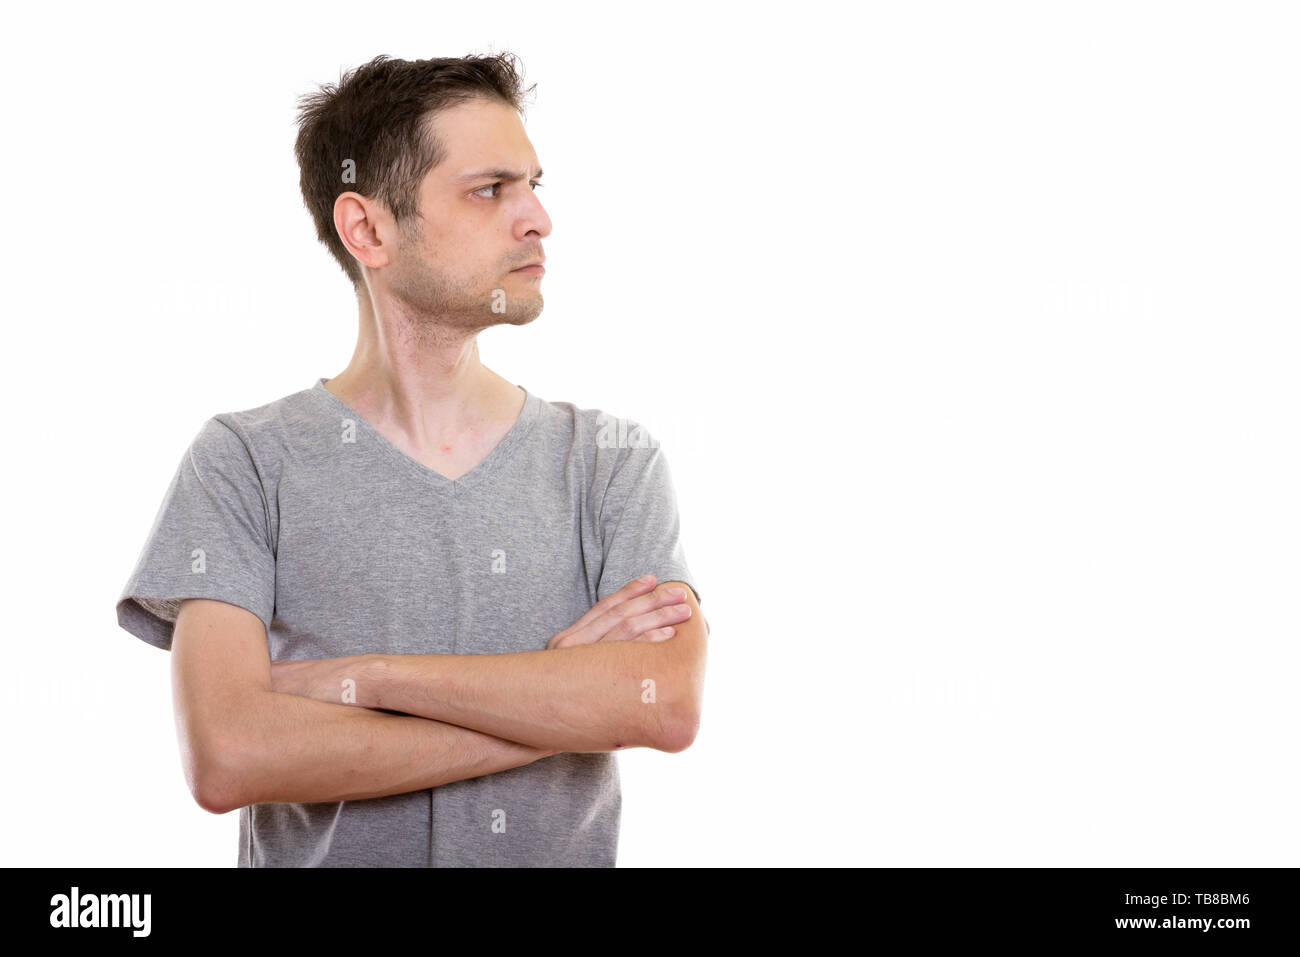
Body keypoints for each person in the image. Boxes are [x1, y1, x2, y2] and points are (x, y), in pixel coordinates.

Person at [115, 53, 707, 867]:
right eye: (490, 189)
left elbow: (662, 703)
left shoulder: (611, 460)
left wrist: (370, 679)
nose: (537, 217)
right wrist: (555, 696)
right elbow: (229, 757)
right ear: (368, 228)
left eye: (535, 183)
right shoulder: (244, 462)